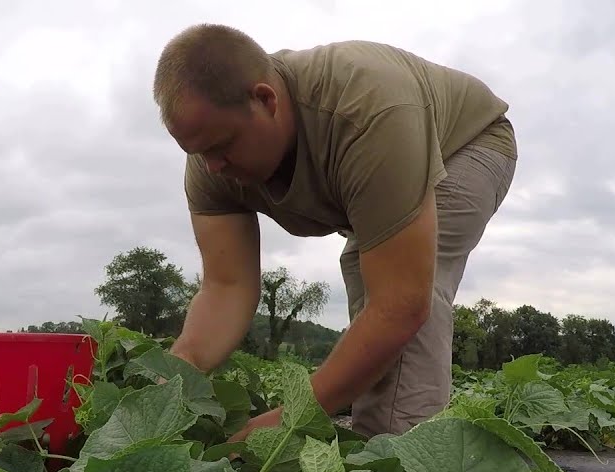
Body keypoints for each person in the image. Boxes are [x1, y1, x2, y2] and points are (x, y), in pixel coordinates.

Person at [151, 23, 517, 441]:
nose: (213, 166)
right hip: (390, 156)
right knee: (366, 270)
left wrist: (287, 420)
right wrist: (179, 370)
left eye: (222, 146)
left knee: (394, 287)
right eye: (198, 153)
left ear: (265, 100)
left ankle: (404, 468)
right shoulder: (210, 160)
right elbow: (226, 286)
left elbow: (399, 306)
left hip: (469, 144)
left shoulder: (367, 113)